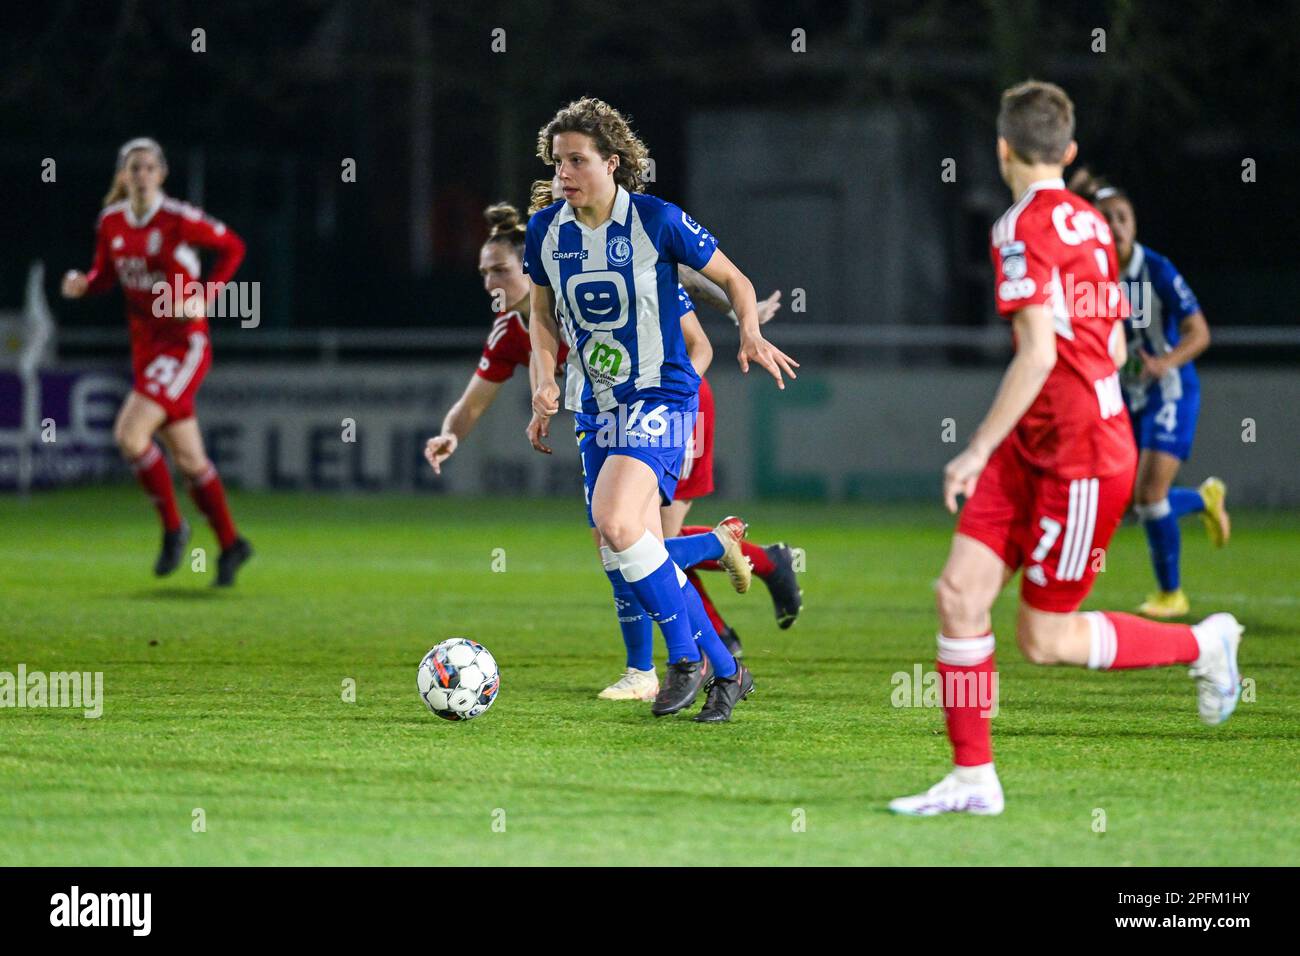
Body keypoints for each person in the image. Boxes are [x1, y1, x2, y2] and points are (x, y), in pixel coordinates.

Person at [889, 82, 1243, 816]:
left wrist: (974, 449)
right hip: (1042, 441)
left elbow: (1040, 353)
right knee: (958, 597)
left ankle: (1203, 646)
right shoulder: (1090, 223)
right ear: (1069, 151)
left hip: (1080, 457)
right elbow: (1110, 341)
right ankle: (973, 778)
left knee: (1043, 640)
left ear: (1001, 148)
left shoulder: (1019, 229)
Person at [422, 197, 789, 704]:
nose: (490, 284)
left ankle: (683, 658)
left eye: (500, 270)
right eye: (484, 273)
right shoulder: (520, 327)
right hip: (605, 418)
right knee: (623, 548)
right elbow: (475, 399)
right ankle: (705, 639)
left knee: (639, 540)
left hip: (671, 406)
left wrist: (737, 312)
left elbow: (684, 288)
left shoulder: (609, 277)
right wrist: (451, 434)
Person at [524, 97, 798, 722]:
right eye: (556, 161)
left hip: (663, 395)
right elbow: (540, 318)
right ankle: (726, 670)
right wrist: (543, 382)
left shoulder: (656, 220)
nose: (564, 173)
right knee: (623, 552)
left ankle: (683, 661)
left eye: (577, 160)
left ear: (612, 163)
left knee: (619, 523)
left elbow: (736, 282)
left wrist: (749, 331)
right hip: (595, 405)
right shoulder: (546, 231)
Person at [61, 138, 252, 586]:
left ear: (161, 174)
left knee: (130, 434)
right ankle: (231, 543)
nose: (142, 175)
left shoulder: (179, 219)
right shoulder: (111, 222)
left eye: (149, 167)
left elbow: (233, 247)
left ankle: (173, 528)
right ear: (123, 176)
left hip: (184, 345)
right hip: (147, 350)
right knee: (189, 459)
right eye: (134, 168)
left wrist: (203, 297)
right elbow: (105, 276)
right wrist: (83, 284)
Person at [1069, 169, 1229, 619]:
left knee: (1149, 495)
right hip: (1129, 398)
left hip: (1171, 391)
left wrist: (1165, 362)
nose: (1116, 226)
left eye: (1124, 217)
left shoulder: (1155, 270)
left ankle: (1171, 595)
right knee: (1129, 502)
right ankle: (1202, 499)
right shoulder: (1090, 276)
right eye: (1107, 218)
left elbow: (1200, 333)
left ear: (1134, 224)